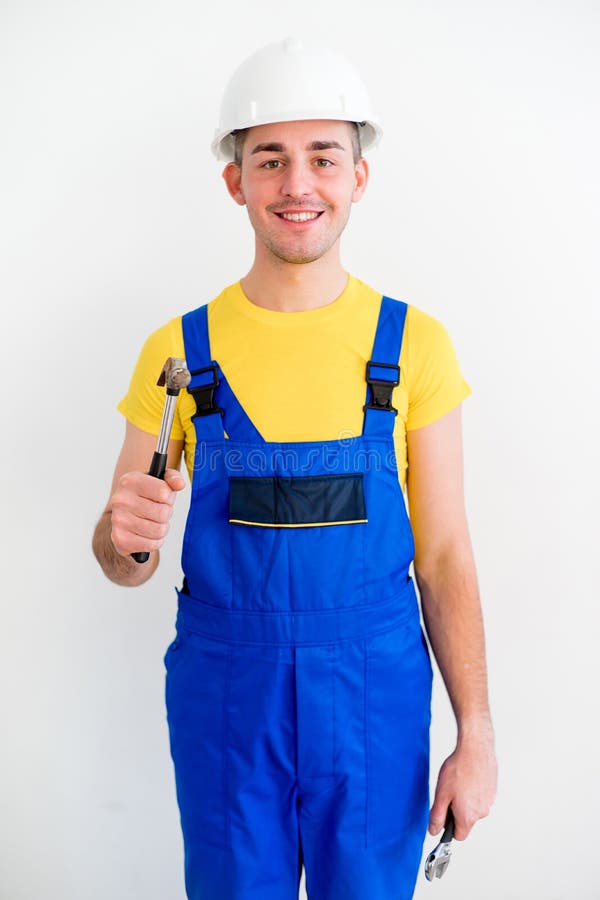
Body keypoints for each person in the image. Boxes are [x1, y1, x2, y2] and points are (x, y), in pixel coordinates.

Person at [93, 36, 497, 900]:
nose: (298, 184)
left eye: (323, 157)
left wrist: (478, 735)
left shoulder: (414, 347)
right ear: (236, 180)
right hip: (227, 695)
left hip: (373, 696)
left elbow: (446, 555)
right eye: (270, 160)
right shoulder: (178, 354)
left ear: (359, 176)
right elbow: (126, 560)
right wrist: (120, 538)